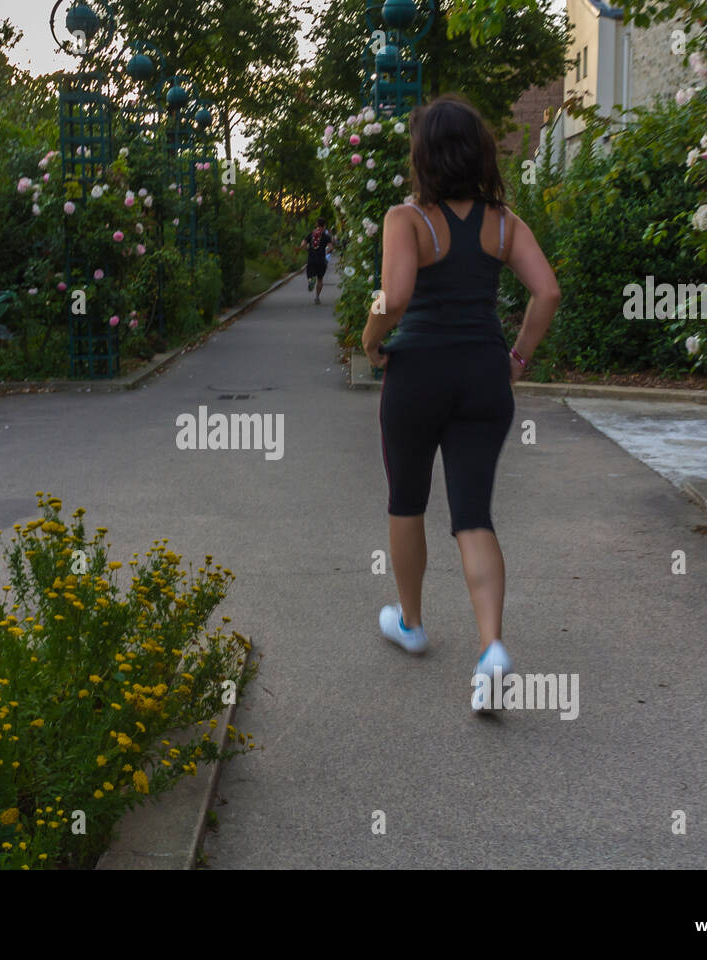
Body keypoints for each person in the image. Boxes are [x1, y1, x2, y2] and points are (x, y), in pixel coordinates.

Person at [360, 94, 560, 712]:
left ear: (423, 155)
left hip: (417, 373)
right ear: (478, 152)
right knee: (473, 514)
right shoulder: (505, 224)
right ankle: (491, 648)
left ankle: (413, 626)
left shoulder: (406, 219)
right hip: (483, 376)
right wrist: (518, 360)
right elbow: (547, 292)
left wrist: (372, 342)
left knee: (407, 500)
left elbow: (393, 299)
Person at [301, 217, 334, 305]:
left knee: (310, 275)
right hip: (321, 260)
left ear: (316, 224)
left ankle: (311, 280)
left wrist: (308, 250)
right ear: (324, 226)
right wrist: (325, 251)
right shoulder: (326, 236)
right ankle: (317, 297)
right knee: (320, 279)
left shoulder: (311, 234)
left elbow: (303, 244)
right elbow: (331, 248)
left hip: (311, 259)